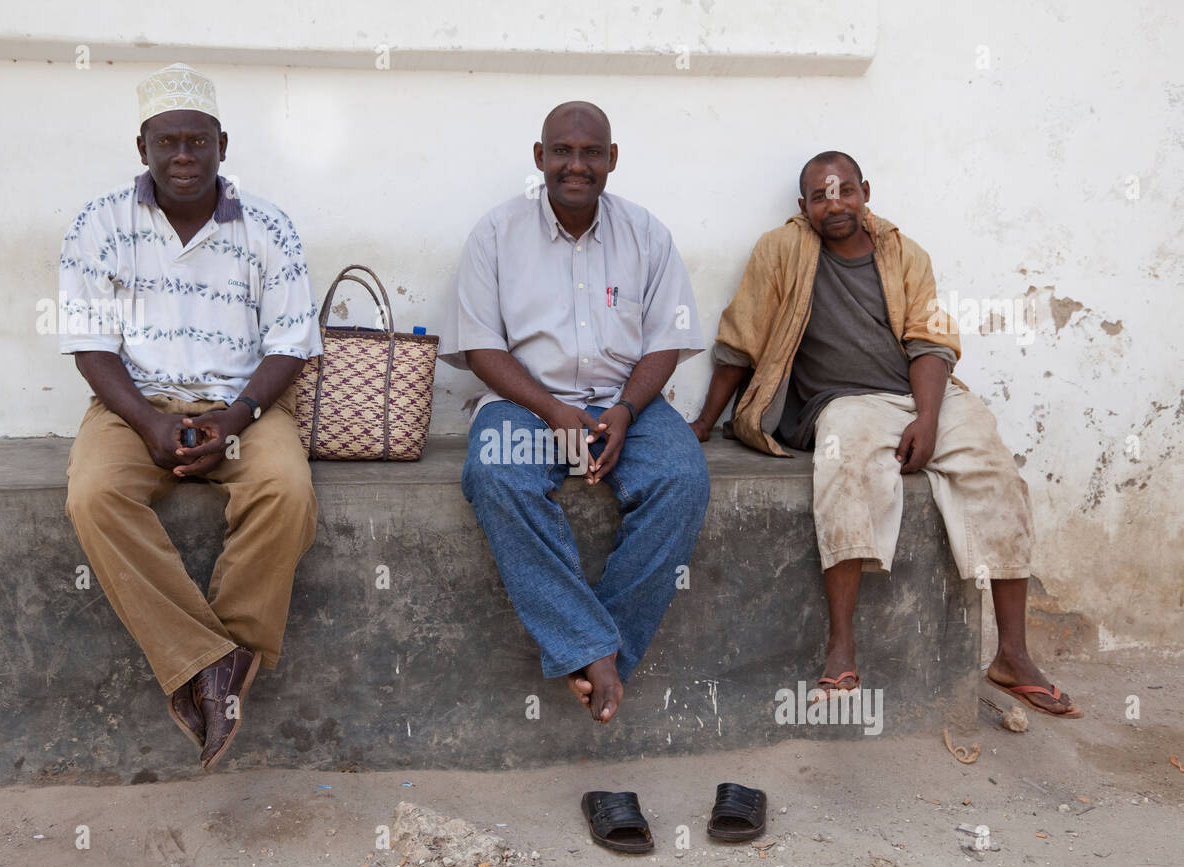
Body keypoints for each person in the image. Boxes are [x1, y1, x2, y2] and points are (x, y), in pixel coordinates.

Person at [691, 150, 1080, 718]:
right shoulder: (782, 250)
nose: (834, 204)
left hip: (920, 396)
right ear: (804, 207)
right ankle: (842, 647)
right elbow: (739, 341)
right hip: (842, 403)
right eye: (820, 196)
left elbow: (931, 342)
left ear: (865, 191)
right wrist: (704, 422)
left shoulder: (904, 253)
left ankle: (1013, 657)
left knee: (996, 472)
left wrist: (926, 418)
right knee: (845, 467)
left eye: (844, 190)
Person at [59, 64, 321, 770]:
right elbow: (89, 343)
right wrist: (147, 422)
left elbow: (292, 342)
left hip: (243, 405)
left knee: (285, 492)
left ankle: (220, 666)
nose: (183, 156)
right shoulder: (98, 223)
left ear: (222, 145)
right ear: (141, 146)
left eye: (197, 142)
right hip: (133, 405)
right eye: (167, 141)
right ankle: (211, 661)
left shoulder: (267, 227)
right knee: (94, 494)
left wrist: (235, 420)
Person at [441, 101, 709, 724]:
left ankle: (594, 648)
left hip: (626, 401)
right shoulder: (496, 232)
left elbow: (666, 340)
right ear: (540, 158)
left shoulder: (647, 232)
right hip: (524, 403)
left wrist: (625, 410)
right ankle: (598, 651)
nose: (576, 165)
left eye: (591, 153)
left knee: (682, 478)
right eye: (562, 151)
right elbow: (482, 346)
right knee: (495, 476)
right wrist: (552, 410)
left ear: (612, 159)